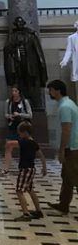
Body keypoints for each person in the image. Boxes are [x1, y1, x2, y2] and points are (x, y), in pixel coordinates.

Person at [47, 78, 78, 215]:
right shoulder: (68, 103)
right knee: (66, 176)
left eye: (51, 90)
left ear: (57, 90)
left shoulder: (65, 106)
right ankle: (63, 204)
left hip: (72, 147)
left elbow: (66, 129)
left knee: (74, 177)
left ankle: (63, 204)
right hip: (73, 146)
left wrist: (62, 150)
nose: (50, 92)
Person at [4, 16, 47, 110]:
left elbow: (38, 52)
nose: (19, 25)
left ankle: (35, 104)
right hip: (17, 64)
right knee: (19, 83)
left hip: (30, 64)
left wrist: (42, 66)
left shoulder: (31, 35)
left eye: (21, 23)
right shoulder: (12, 36)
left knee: (32, 84)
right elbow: (7, 49)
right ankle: (22, 103)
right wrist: (14, 48)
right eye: (17, 23)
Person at [14, 121, 46, 221]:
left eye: (20, 133)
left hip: (25, 169)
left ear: (26, 132)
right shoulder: (34, 143)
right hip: (32, 169)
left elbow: (11, 144)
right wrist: (44, 167)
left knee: (19, 190)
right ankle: (38, 211)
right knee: (30, 189)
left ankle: (26, 213)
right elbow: (41, 156)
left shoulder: (24, 142)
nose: (19, 135)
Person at [0, 86, 32, 175]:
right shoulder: (8, 102)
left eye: (15, 91)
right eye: (12, 91)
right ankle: (5, 168)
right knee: (8, 146)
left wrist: (20, 114)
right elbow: (6, 113)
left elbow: (30, 115)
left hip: (22, 127)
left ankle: (25, 167)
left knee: (24, 147)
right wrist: (10, 116)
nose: (13, 93)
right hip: (12, 126)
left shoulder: (25, 102)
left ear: (19, 92)